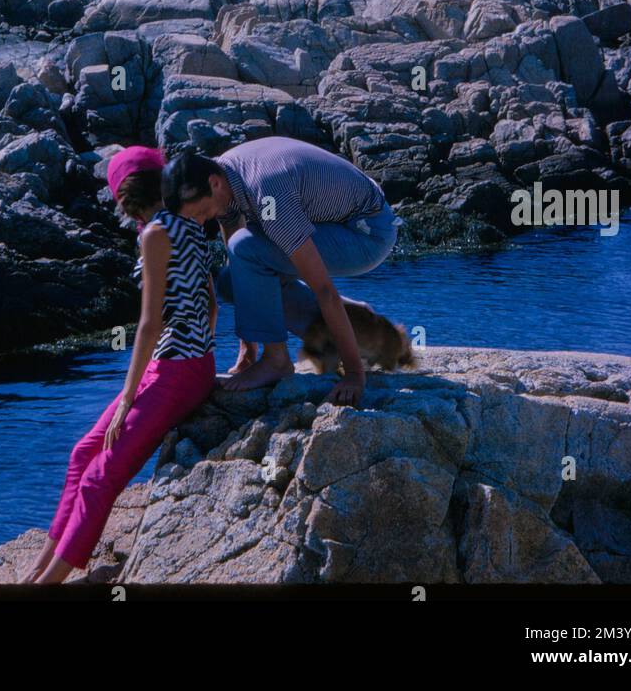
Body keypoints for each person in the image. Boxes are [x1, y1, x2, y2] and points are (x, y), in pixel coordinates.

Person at [24, 146, 216, 584]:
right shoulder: (187, 224)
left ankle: (49, 581)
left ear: (125, 194)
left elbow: (148, 325)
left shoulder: (154, 235)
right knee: (81, 454)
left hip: (174, 371)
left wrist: (129, 397)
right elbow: (212, 303)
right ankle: (40, 565)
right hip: (184, 364)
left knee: (99, 474)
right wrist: (201, 353)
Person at [161, 137, 400, 408]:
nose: (201, 222)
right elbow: (242, 274)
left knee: (246, 247)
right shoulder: (224, 177)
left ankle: (277, 361)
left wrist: (355, 375)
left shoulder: (268, 196)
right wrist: (247, 349)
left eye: (201, 212)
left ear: (213, 184)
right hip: (332, 223)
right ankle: (357, 321)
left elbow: (323, 289)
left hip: (366, 233)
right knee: (229, 281)